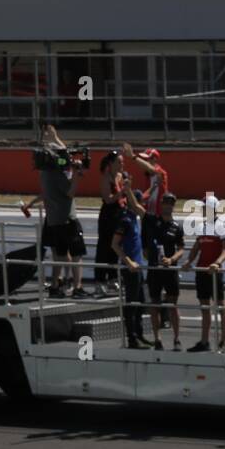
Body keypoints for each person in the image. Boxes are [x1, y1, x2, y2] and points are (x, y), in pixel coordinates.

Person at [22, 126, 88, 298]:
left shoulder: (45, 174)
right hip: (67, 219)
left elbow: (62, 156)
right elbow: (70, 192)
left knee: (59, 255)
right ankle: (77, 287)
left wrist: (55, 138)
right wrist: (76, 175)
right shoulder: (57, 175)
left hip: (54, 220)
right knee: (76, 254)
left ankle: (54, 286)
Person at [183, 194, 225, 354]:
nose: (201, 210)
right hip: (201, 271)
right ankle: (204, 341)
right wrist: (189, 261)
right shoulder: (202, 226)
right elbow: (197, 247)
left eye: (204, 207)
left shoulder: (222, 225)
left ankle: (223, 342)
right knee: (204, 307)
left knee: (221, 306)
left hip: (214, 272)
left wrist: (217, 263)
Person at [144, 193, 186, 351]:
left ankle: (176, 339)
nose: (168, 205)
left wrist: (172, 259)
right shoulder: (153, 221)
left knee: (172, 305)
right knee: (154, 305)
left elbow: (182, 248)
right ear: (161, 205)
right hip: (154, 269)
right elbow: (137, 208)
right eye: (166, 202)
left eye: (171, 203)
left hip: (170, 270)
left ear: (174, 206)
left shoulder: (177, 226)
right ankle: (157, 339)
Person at [112, 188, 150, 348]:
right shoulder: (126, 220)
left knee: (140, 301)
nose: (142, 205)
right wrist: (128, 262)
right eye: (140, 201)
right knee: (132, 303)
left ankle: (139, 334)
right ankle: (132, 338)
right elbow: (114, 244)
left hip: (139, 266)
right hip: (131, 268)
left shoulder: (136, 218)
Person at [94, 149, 127, 295]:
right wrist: (122, 192)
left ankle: (113, 277)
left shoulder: (121, 176)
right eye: (119, 162)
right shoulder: (106, 177)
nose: (122, 164)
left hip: (119, 214)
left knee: (116, 246)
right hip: (108, 215)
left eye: (122, 161)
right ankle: (100, 279)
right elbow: (108, 199)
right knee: (104, 247)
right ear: (111, 164)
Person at [123, 144, 169, 216]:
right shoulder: (148, 175)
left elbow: (151, 169)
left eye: (147, 159)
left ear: (155, 159)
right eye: (144, 159)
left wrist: (133, 156)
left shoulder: (160, 172)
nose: (145, 161)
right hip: (149, 212)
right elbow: (149, 192)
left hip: (159, 213)